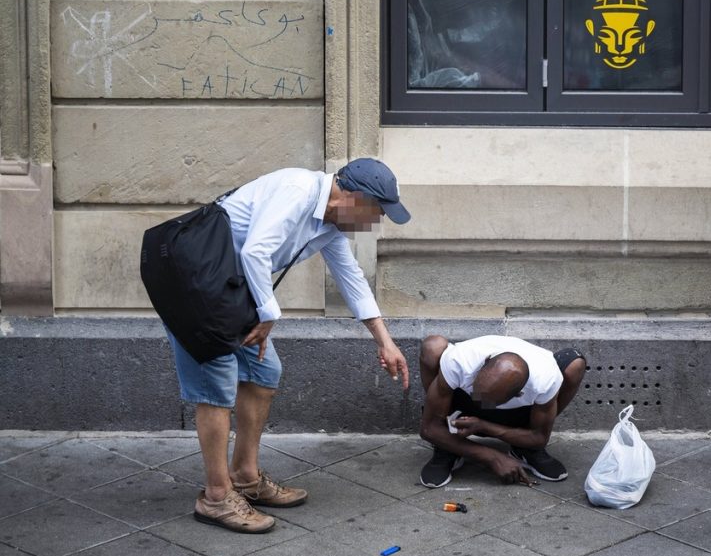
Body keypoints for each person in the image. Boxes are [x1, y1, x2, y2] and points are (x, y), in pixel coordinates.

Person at [166, 159, 412, 533]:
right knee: (216, 382)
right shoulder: (297, 190)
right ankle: (216, 497)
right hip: (192, 283)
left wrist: (386, 343)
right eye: (374, 211)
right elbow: (255, 252)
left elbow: (351, 278)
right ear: (349, 195)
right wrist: (267, 315)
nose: (373, 223)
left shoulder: (330, 224)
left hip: (230, 287)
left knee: (264, 372)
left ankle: (245, 476)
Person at [417, 335, 586, 487]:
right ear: (484, 363)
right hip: (460, 407)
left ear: (520, 394)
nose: (479, 403)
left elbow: (539, 438)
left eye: (487, 400)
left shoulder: (545, 380)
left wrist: (483, 426)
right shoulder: (460, 361)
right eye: (476, 389)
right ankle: (447, 446)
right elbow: (428, 429)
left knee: (574, 365)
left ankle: (524, 449)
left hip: (516, 414)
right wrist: (493, 457)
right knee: (433, 346)